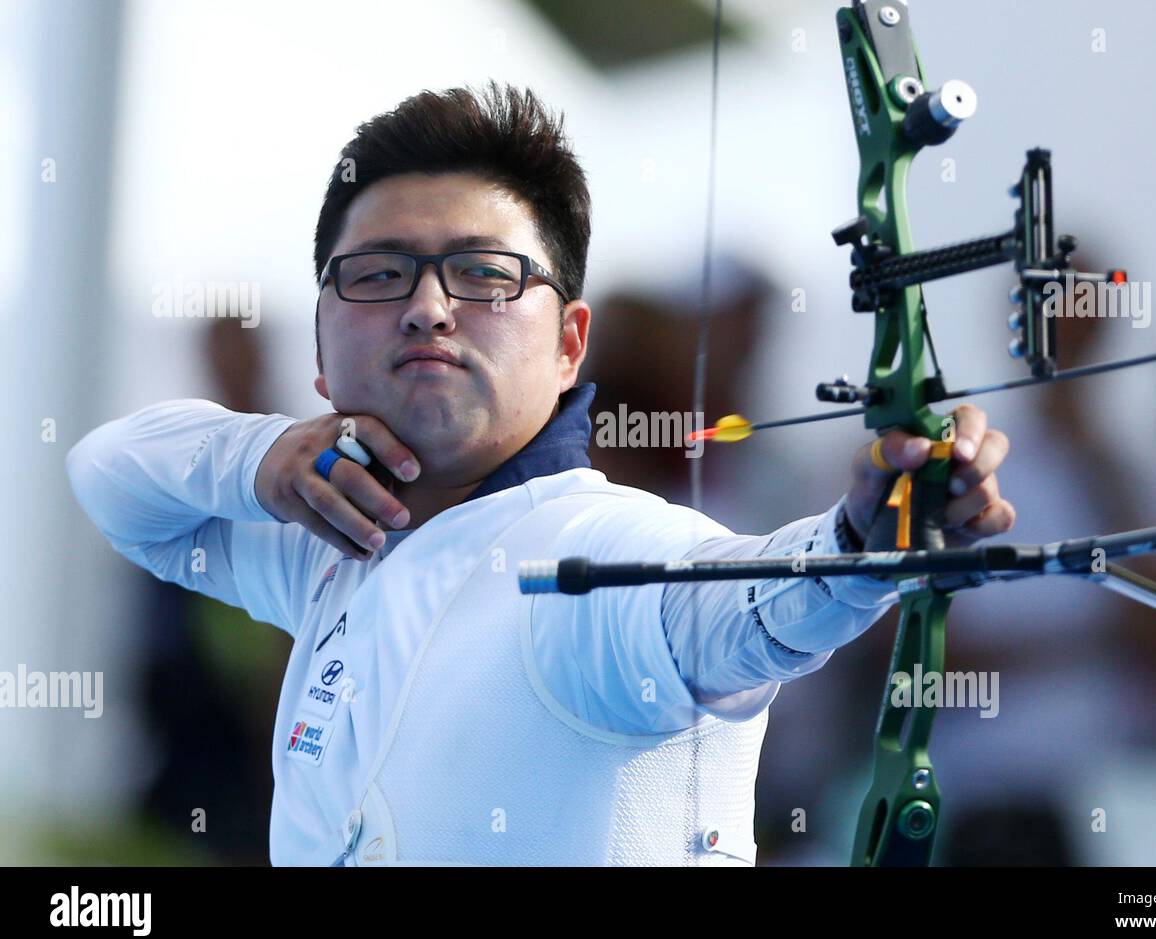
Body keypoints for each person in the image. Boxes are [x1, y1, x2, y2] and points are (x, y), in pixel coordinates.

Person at [64, 83, 1014, 866]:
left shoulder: (600, 554)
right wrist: (256, 455)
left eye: (485, 275)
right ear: (320, 343)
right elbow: (109, 480)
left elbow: (745, 608)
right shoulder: (326, 542)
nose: (429, 308)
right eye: (379, 274)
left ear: (569, 343)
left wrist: (862, 534)